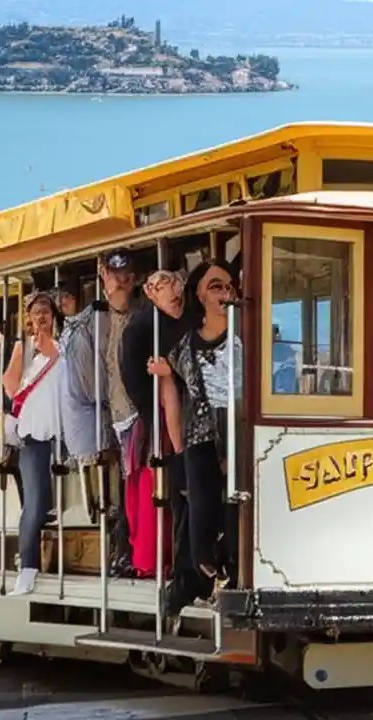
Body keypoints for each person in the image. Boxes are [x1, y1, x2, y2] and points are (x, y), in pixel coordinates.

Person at [152, 260, 242, 611]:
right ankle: (200, 576)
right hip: (201, 439)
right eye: (216, 286)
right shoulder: (183, 348)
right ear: (200, 295)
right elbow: (174, 398)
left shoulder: (246, 336)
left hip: (241, 433)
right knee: (201, 519)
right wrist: (178, 448)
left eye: (228, 286)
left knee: (237, 512)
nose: (225, 293)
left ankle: (227, 576)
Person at [61, 251, 144, 577]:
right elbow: (92, 386)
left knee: (137, 491)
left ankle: (133, 553)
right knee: (125, 494)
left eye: (127, 275)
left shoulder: (143, 314)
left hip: (139, 414)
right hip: (113, 421)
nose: (121, 281)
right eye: (115, 274)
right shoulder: (85, 325)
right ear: (102, 274)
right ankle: (122, 553)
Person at [120, 269, 187, 579]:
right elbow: (133, 380)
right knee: (153, 489)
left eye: (175, 283)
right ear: (150, 292)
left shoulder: (185, 322)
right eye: (164, 286)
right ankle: (151, 558)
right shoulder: (139, 329)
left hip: (183, 410)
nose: (173, 291)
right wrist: (159, 396)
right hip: (156, 418)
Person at [2, 292, 66, 596]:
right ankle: (26, 566)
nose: (40, 317)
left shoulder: (63, 347)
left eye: (45, 312)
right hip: (32, 435)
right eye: (34, 313)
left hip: (62, 435)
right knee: (35, 503)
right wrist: (21, 350)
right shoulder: (25, 350)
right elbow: (11, 387)